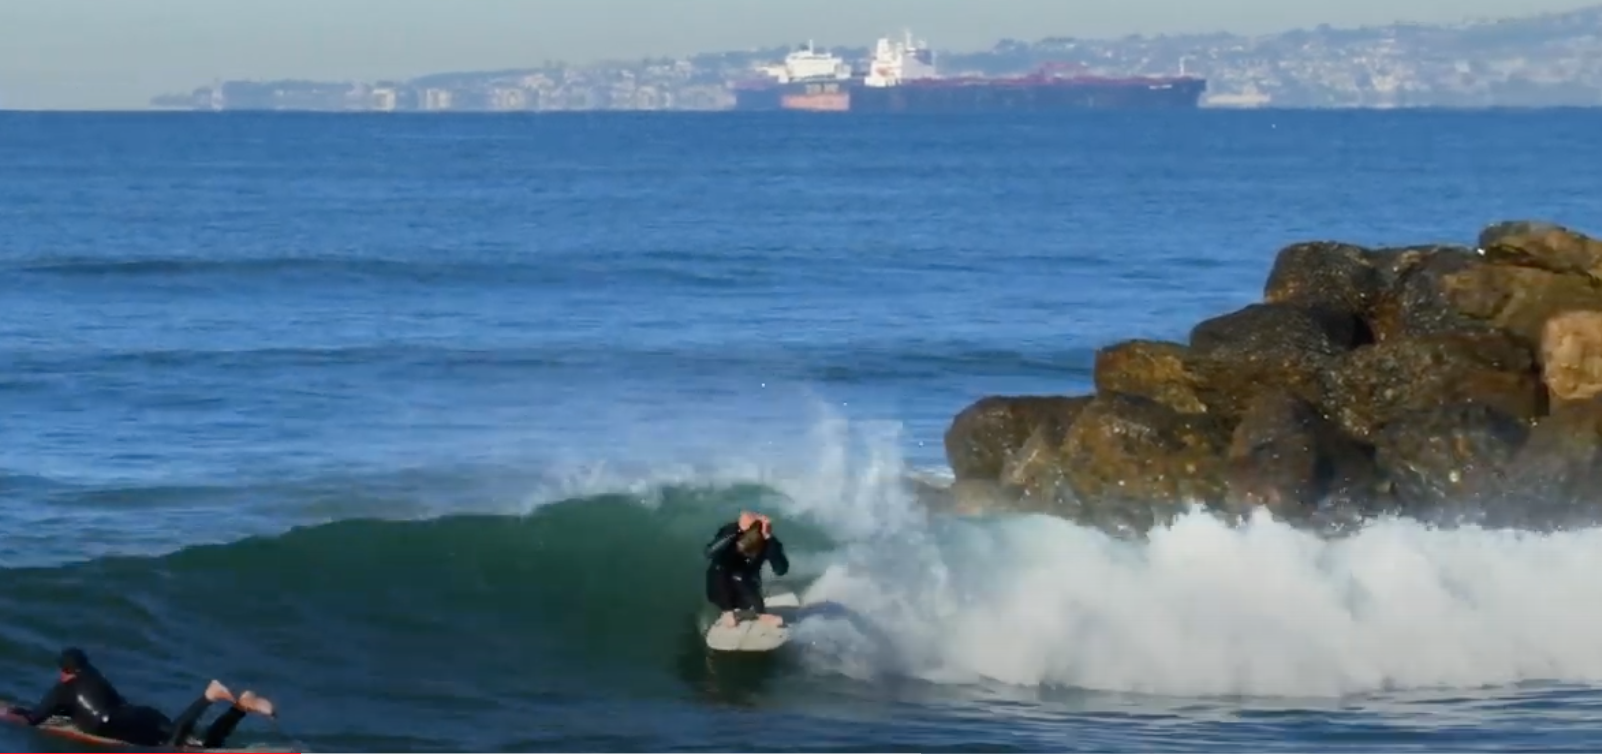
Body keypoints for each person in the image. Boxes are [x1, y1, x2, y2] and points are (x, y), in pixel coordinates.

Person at [7, 647, 276, 749]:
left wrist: (11, 713)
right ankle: (240, 707)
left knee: (173, 747)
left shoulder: (62, 689)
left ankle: (209, 696)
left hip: (118, 724)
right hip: (138, 715)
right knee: (202, 743)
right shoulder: (95, 676)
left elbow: (34, 718)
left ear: (64, 671)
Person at [704, 510, 790, 629]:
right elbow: (709, 553)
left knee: (739, 577)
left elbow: (780, 570)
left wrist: (769, 538)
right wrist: (738, 530)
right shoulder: (732, 531)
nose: (741, 548)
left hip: (747, 588)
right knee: (719, 568)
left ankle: (761, 614)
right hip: (721, 587)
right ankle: (727, 611)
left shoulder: (767, 543)